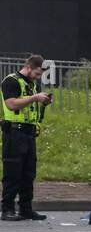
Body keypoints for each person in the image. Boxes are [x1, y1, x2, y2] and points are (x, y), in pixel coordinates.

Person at [2, 54, 52, 222]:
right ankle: (7, 209)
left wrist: (42, 102)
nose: (38, 77)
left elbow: (30, 108)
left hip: (29, 134)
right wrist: (34, 98)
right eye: (37, 73)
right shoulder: (11, 81)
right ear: (29, 67)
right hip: (14, 133)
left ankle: (26, 209)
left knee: (28, 173)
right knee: (13, 172)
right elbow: (11, 104)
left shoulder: (31, 84)